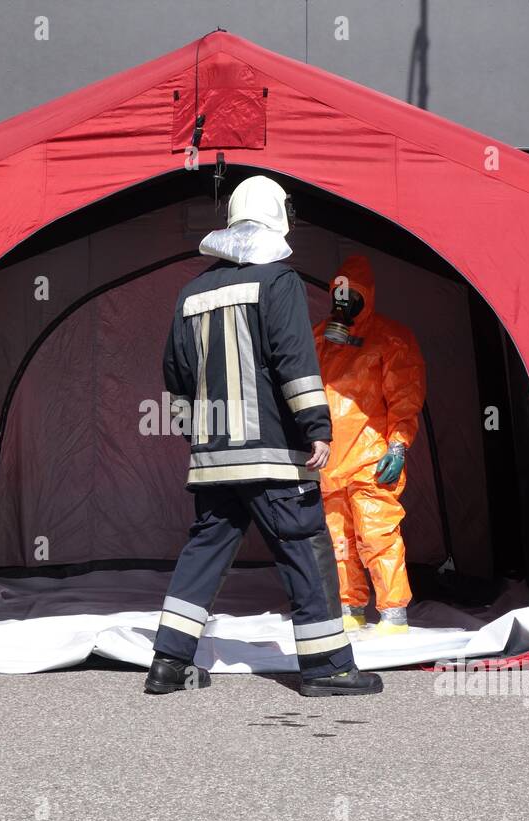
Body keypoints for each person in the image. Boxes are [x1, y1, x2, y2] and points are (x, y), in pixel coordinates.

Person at [146, 176, 382, 697]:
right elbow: (293, 361)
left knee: (205, 550)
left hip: (214, 458)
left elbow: (175, 376)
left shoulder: (191, 293)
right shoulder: (278, 282)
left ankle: (168, 663)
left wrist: (201, 438)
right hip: (273, 456)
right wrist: (316, 426)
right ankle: (329, 670)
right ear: (279, 216)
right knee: (304, 546)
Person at [314, 254, 427, 637]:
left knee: (377, 533)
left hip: (371, 456)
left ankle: (394, 612)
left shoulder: (391, 339)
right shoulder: (319, 339)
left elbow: (405, 396)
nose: (343, 305)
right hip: (329, 459)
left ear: (367, 297)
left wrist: (398, 445)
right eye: (338, 296)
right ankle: (350, 606)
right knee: (337, 538)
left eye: (351, 296)